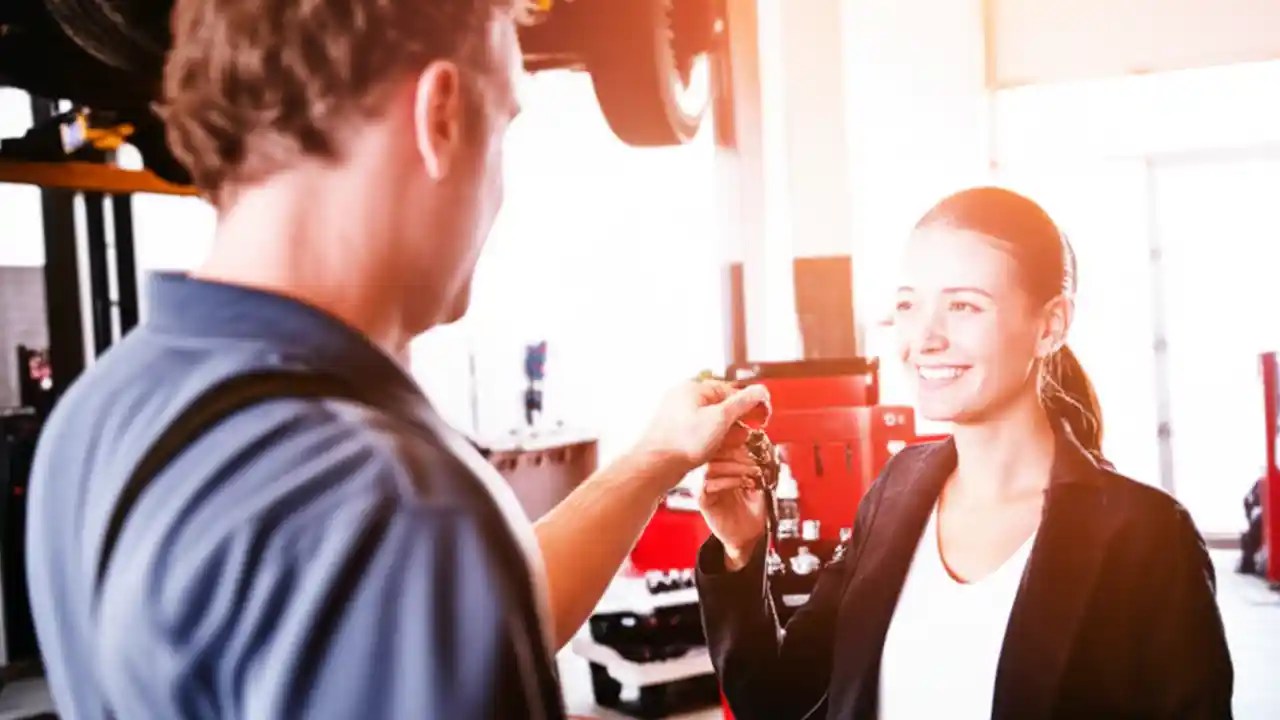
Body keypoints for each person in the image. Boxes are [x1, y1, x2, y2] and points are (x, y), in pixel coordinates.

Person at [24, 2, 769, 718]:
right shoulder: (397, 501)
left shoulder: (97, 421)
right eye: (504, 123)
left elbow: (439, 623)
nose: (500, 187)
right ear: (440, 116)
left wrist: (656, 458)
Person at [695, 186, 1234, 719]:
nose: (925, 337)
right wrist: (742, 549)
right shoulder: (895, 493)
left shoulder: (1147, 539)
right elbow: (774, 697)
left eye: (963, 305)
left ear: (1051, 325)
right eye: (908, 304)